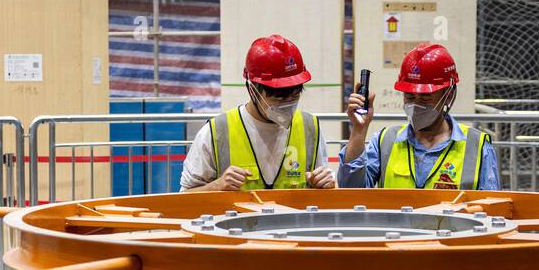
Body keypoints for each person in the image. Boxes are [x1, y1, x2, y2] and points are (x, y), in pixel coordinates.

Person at [180, 35, 335, 192]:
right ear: (253, 90)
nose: (288, 104)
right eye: (279, 98)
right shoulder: (217, 132)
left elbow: (322, 196)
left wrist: (326, 185)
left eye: (294, 96)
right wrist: (217, 186)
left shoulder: (310, 128)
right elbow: (184, 197)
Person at [337, 43, 499, 190]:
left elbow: (492, 207)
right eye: (409, 96)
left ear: (448, 95)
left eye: (425, 97)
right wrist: (359, 130)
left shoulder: (476, 146)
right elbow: (351, 188)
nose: (416, 105)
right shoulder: (385, 142)